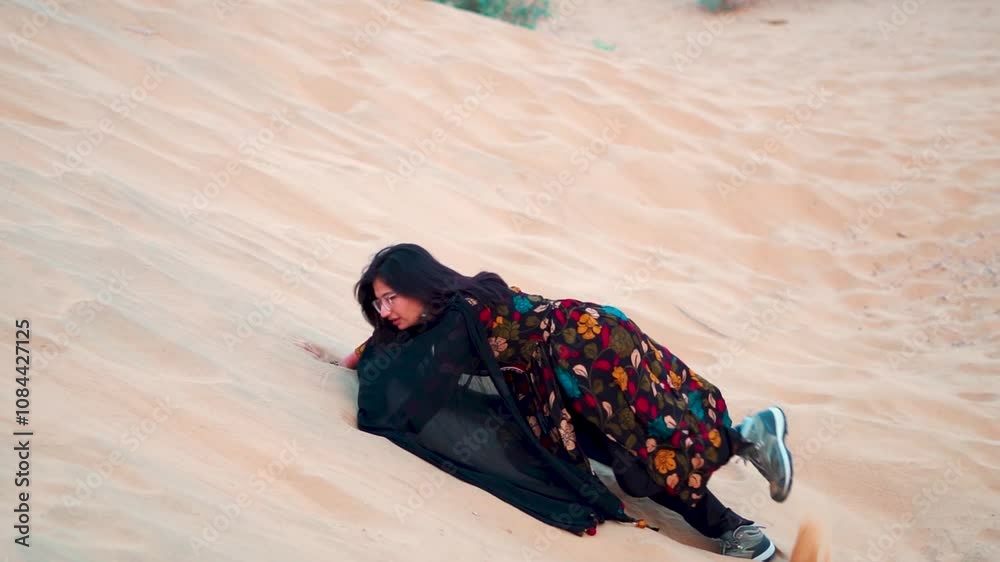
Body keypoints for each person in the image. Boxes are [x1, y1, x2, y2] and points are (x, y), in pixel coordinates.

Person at [298, 243, 793, 561]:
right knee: (634, 450)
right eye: (378, 302)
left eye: (391, 299)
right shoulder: (460, 301)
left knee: (645, 442)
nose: (385, 311)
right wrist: (346, 359)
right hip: (584, 343)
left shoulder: (454, 320)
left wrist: (379, 400)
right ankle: (738, 529)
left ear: (417, 286)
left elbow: (414, 381)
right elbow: (392, 346)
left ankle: (744, 442)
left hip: (579, 354)